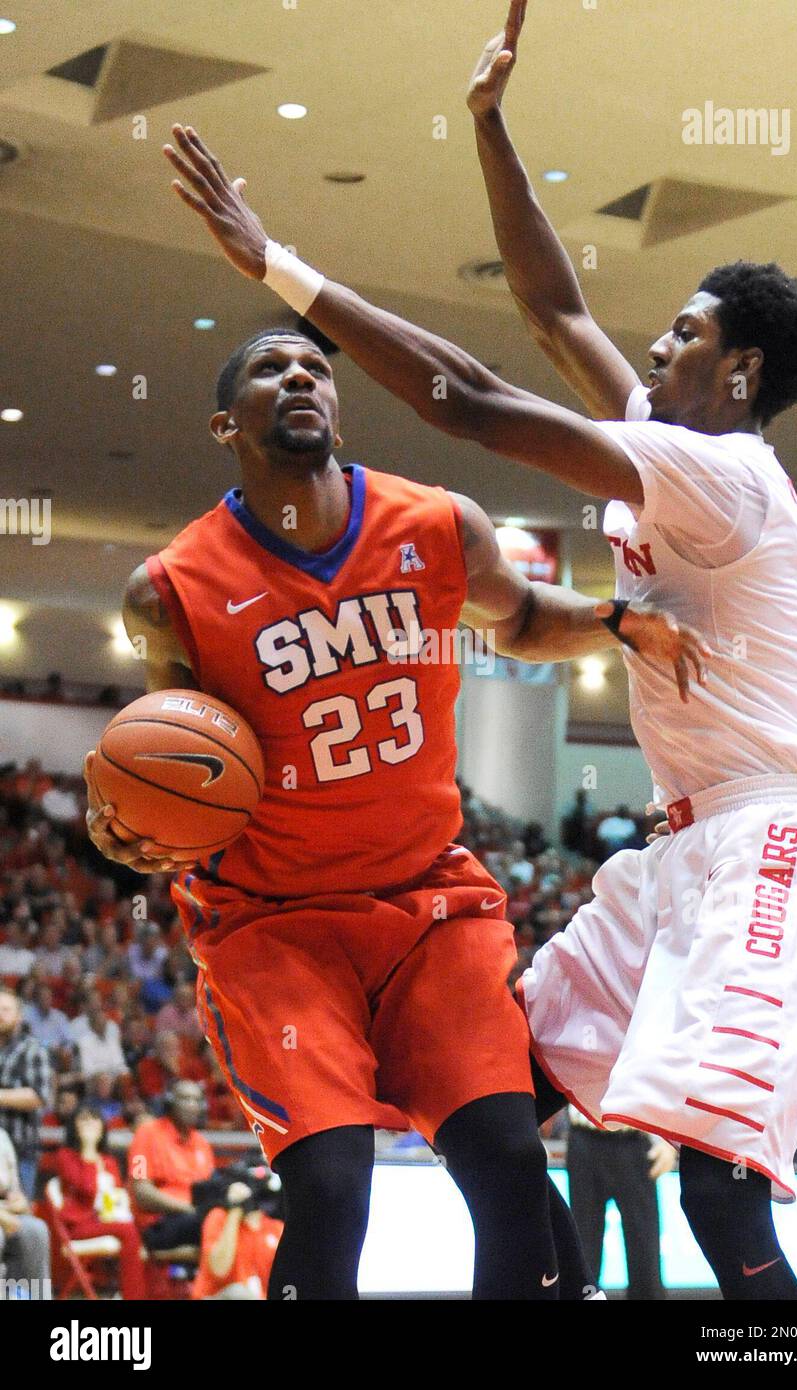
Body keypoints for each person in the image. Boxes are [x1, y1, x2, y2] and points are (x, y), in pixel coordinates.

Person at [153, 41, 797, 1297]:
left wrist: (278, 267)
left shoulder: (724, 470)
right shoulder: (664, 435)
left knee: (711, 1186)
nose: (657, 344)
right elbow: (553, 311)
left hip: (759, 841)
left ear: (738, 374)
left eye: (686, 333)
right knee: (500, 1104)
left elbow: (471, 399)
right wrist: (489, 125)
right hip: (682, 846)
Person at [81, 129, 710, 1304]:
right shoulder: (170, 586)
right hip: (273, 921)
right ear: (229, 427)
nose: (303, 379)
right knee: (327, 1186)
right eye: (271, 371)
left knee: (510, 1159)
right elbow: (160, 754)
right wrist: (119, 824)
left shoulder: (431, 526)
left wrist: (616, 622)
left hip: (427, 902)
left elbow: (520, 620)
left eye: (313, 369)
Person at [566, 1108, 674, 1300]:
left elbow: (661, 1080)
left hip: (634, 1141)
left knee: (645, 1255)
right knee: (583, 1253)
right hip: (583, 1139)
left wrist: (668, 1139)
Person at [54, 1103, 146, 1299]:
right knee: (128, 1231)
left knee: (139, 1225)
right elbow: (87, 1189)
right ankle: (134, 1296)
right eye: (84, 1120)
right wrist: (88, 1148)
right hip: (80, 1224)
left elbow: (118, 1194)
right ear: (74, 1126)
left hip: (106, 1219)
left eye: (94, 1119)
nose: (90, 1125)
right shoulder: (66, 1156)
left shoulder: (109, 1161)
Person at [127, 1079, 215, 1254]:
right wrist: (190, 1209)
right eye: (185, 1099)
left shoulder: (202, 1144)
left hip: (197, 1218)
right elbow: (141, 1193)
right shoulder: (147, 1133)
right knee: (216, 1225)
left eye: (196, 1100)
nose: (191, 1105)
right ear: (169, 1102)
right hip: (159, 1223)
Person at [191, 1179, 283, 1300]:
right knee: (238, 1293)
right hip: (217, 1296)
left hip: (259, 1296)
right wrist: (235, 1211)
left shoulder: (276, 1227)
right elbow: (219, 1269)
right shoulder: (218, 1217)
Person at [0, 987, 51, 1199]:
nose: (0, 1014)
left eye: (5, 1009)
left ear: (19, 1016)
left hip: (20, 1150)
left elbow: (39, 1096)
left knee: (19, 1221)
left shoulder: (32, 1049)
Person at [0, 1124, 51, 1298]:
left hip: (6, 1208)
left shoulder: (2, 1137)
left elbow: (15, 1190)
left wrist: (20, 1202)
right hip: (2, 1215)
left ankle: (37, 1297)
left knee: (36, 1230)